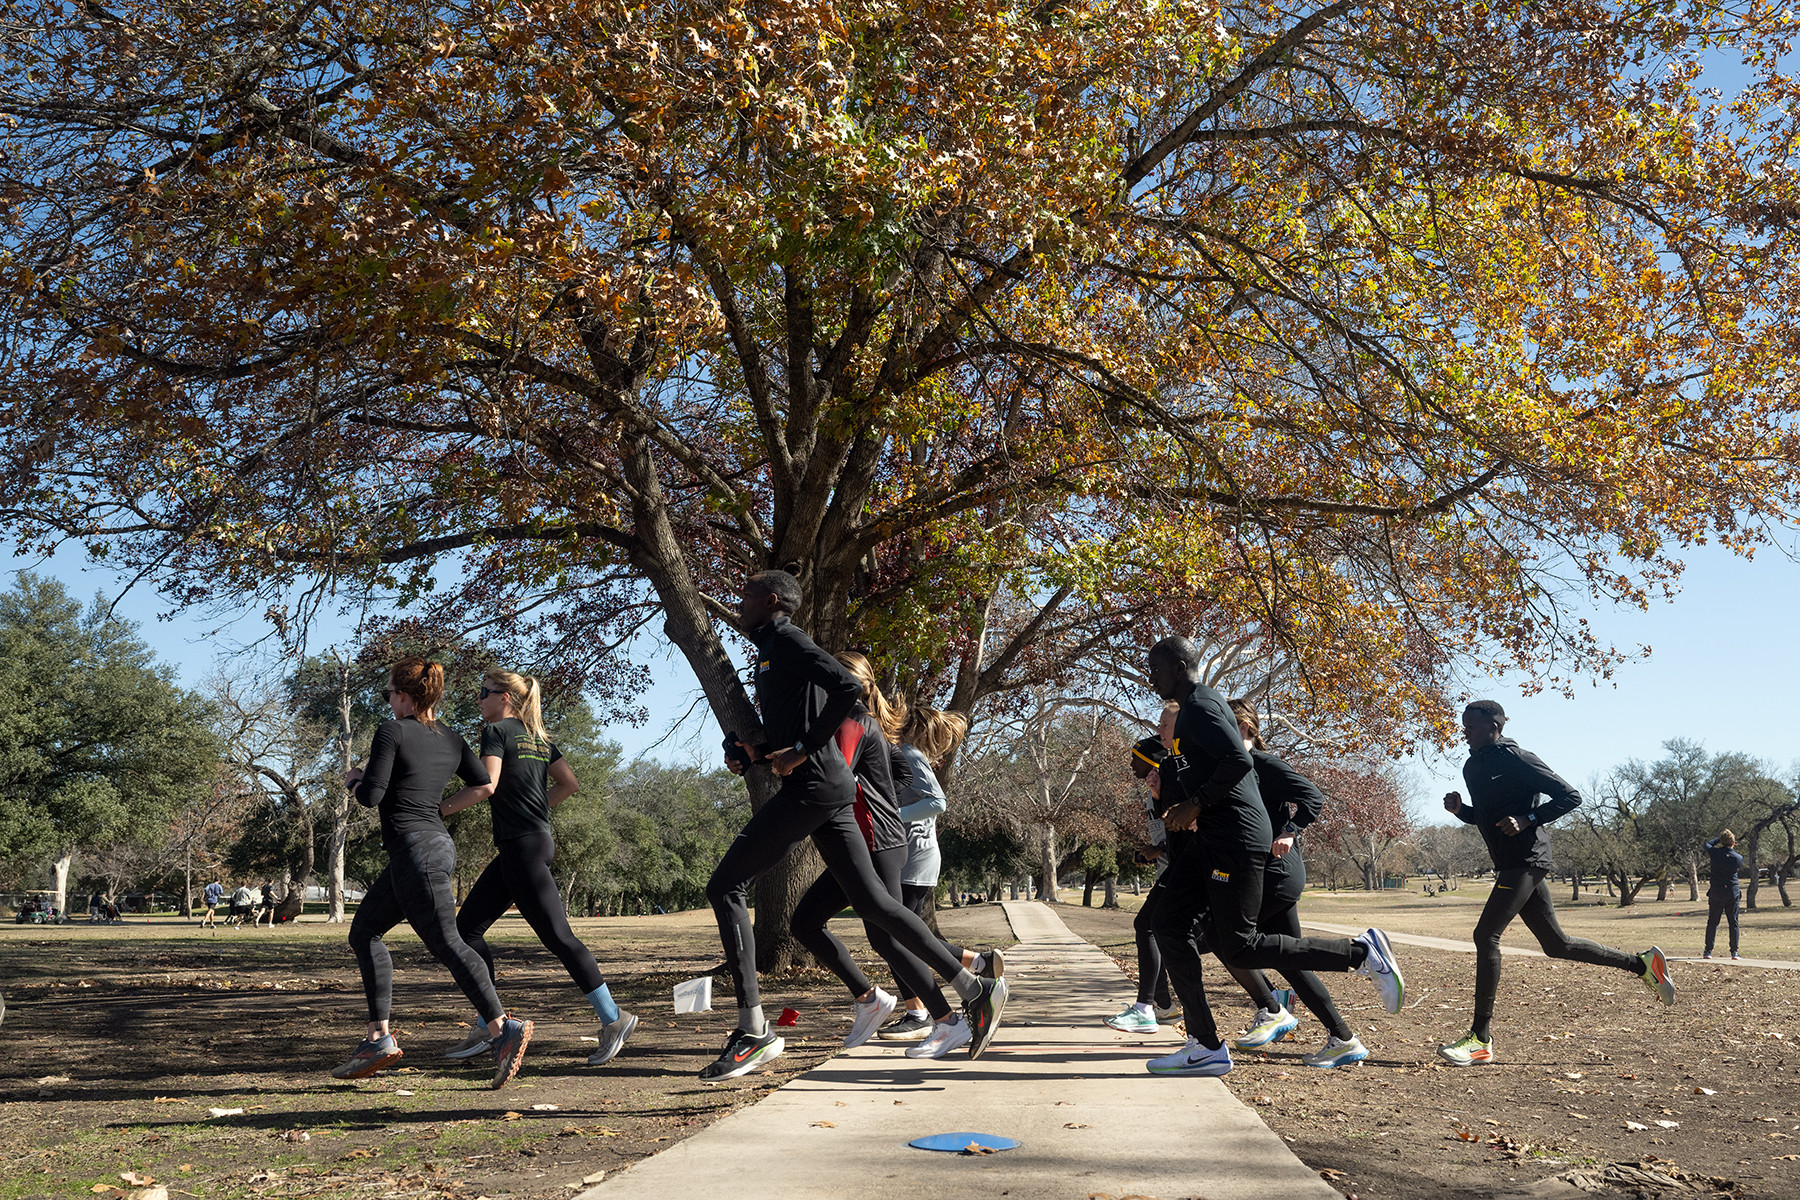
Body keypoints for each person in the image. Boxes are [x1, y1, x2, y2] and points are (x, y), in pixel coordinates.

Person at [705, 570, 1007, 1080]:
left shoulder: (786, 638)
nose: (740, 601)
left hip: (817, 792)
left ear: (772, 601)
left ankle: (754, 1030)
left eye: (748, 594)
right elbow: (804, 727)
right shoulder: (771, 651)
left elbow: (847, 687)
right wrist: (756, 753)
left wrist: (800, 751)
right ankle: (968, 989)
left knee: (726, 887)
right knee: (874, 908)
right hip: (830, 792)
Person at [1144, 636, 1404, 1077]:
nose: (1151, 678)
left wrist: (1197, 803)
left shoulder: (1203, 706)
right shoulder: (1191, 711)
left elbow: (1238, 762)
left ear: (1180, 664)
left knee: (1240, 947)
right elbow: (1213, 768)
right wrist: (1179, 805)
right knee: (1166, 922)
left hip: (1235, 838)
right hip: (1212, 836)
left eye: (1156, 668)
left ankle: (1360, 954)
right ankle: (1204, 1044)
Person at [1438, 700, 1676, 1066]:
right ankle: (1642, 964)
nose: (1464, 730)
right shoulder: (1472, 766)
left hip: (1529, 860)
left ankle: (1479, 1038)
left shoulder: (1519, 759)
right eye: (1463, 724)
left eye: (1470, 725)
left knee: (1485, 936)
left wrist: (1528, 817)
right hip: (1510, 865)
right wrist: (1461, 811)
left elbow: (1570, 796)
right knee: (1557, 945)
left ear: (1494, 726)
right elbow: (1486, 818)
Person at [787, 653, 1001, 1058]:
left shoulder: (858, 726)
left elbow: (864, 781)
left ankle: (950, 1014)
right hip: (854, 844)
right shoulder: (851, 729)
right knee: (806, 922)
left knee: (887, 936)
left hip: (876, 843)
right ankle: (873, 999)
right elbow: (892, 775)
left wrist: (870, 800)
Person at [337, 657, 532, 1088]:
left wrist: (354, 778)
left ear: (404, 696)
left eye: (389, 693)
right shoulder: (452, 737)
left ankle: (503, 1028)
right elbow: (484, 784)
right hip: (434, 845)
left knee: (448, 941)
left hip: (415, 851)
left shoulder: (392, 731)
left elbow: (371, 796)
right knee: (364, 930)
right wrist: (439, 808)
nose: (388, 700)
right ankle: (378, 1037)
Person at [444, 669, 637, 1067]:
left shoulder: (496, 732)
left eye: (484, 692)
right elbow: (569, 784)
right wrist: (534, 810)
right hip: (532, 843)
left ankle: (614, 1019)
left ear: (505, 698)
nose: (478, 699)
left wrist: (438, 809)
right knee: (467, 928)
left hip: (521, 848)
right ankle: (489, 1021)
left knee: (560, 938)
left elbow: (486, 786)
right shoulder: (539, 739)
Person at [1223, 700, 1367, 1069]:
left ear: (1245, 727)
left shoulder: (1264, 764)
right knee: (1289, 958)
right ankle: (1343, 1038)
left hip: (1278, 873)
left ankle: (1274, 1007)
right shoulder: (1232, 768)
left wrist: (1290, 830)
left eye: (1226, 721)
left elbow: (1313, 797)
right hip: (1265, 874)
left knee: (1228, 940)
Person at [879, 702, 994, 1042]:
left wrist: (891, 815)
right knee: (903, 936)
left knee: (899, 937)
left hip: (916, 858)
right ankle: (975, 963)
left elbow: (937, 801)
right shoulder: (898, 752)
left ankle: (920, 1013)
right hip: (908, 857)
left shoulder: (909, 753)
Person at [1104, 704, 1179, 1034]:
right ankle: (1160, 1005)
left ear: (1151, 761)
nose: (1130, 763)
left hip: (1182, 871)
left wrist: (1159, 848)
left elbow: (1184, 828)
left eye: (1135, 758)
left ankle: (1150, 1006)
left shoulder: (1170, 785)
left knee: (1151, 928)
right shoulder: (1152, 792)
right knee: (1154, 929)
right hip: (1168, 871)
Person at [1703, 830, 1743, 960]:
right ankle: (1734, 952)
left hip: (1716, 891)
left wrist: (1719, 839)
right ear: (1733, 843)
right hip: (1732, 891)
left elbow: (1707, 844)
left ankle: (1708, 951)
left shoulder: (1714, 853)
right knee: (1733, 922)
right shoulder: (1738, 858)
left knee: (1713, 922)